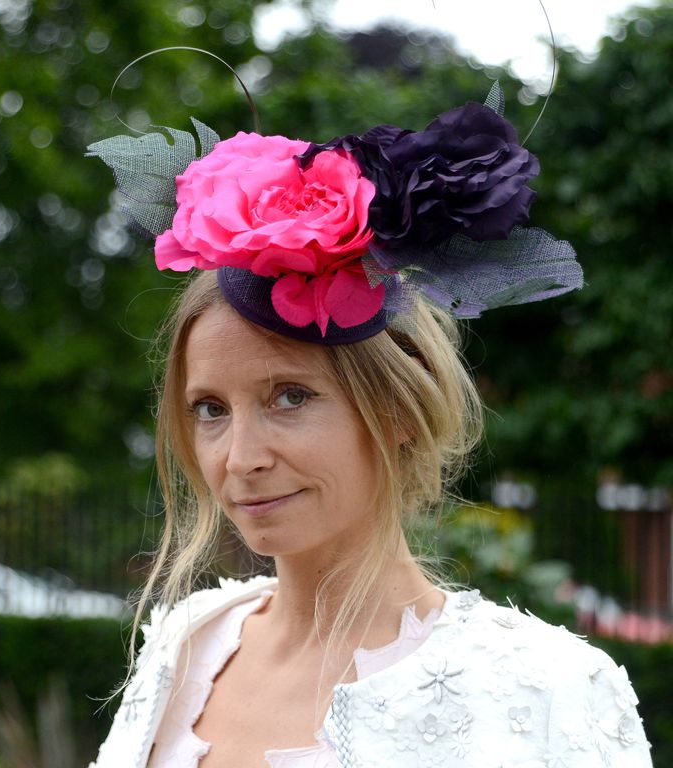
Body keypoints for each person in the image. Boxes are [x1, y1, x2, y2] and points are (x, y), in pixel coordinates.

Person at [87, 84, 652, 767]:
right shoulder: (184, 646)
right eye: (211, 408)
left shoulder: (546, 690)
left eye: (289, 396)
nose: (239, 458)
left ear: (395, 410)